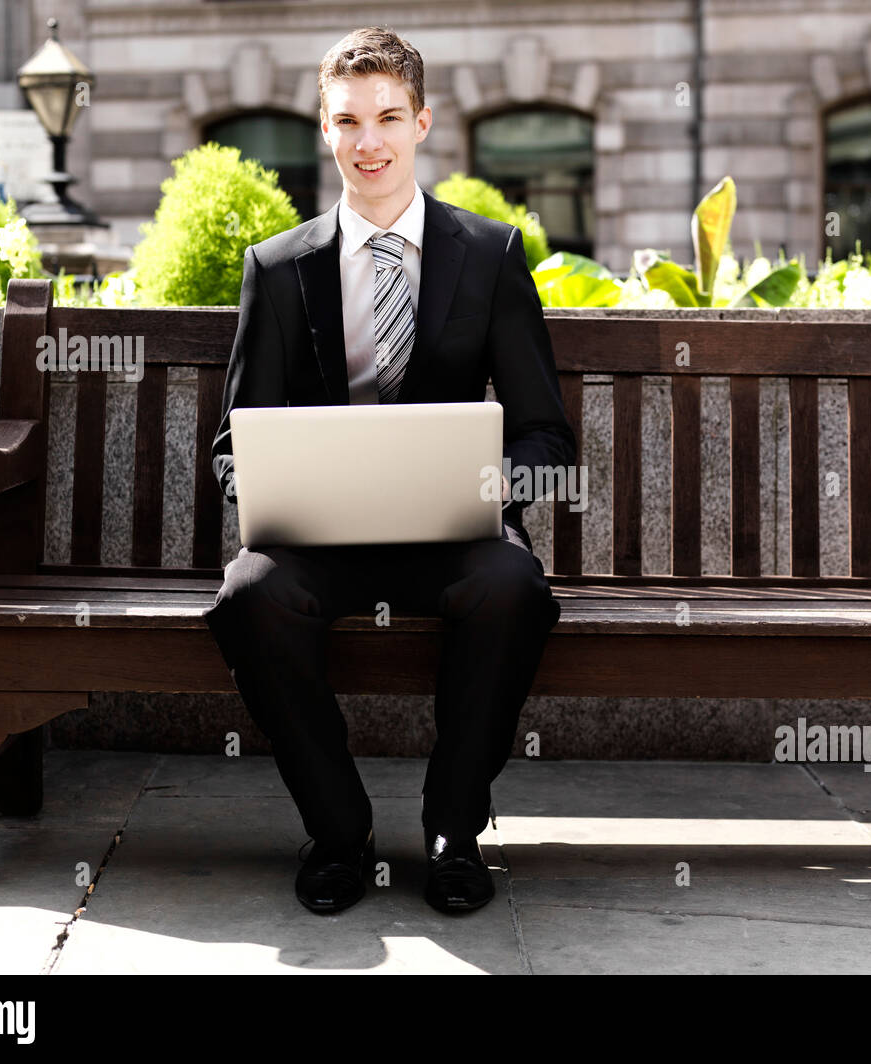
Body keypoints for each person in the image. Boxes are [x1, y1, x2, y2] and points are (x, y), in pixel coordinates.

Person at [204, 25, 576, 916]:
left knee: (513, 586)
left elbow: (544, 436)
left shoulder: (491, 256)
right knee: (249, 595)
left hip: (453, 535)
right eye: (347, 121)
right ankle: (339, 830)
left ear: (422, 123)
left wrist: (484, 489)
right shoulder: (279, 267)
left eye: (386, 118)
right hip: (320, 539)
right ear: (325, 131)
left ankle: (455, 825)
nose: (367, 141)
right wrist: (266, 486)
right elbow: (230, 444)